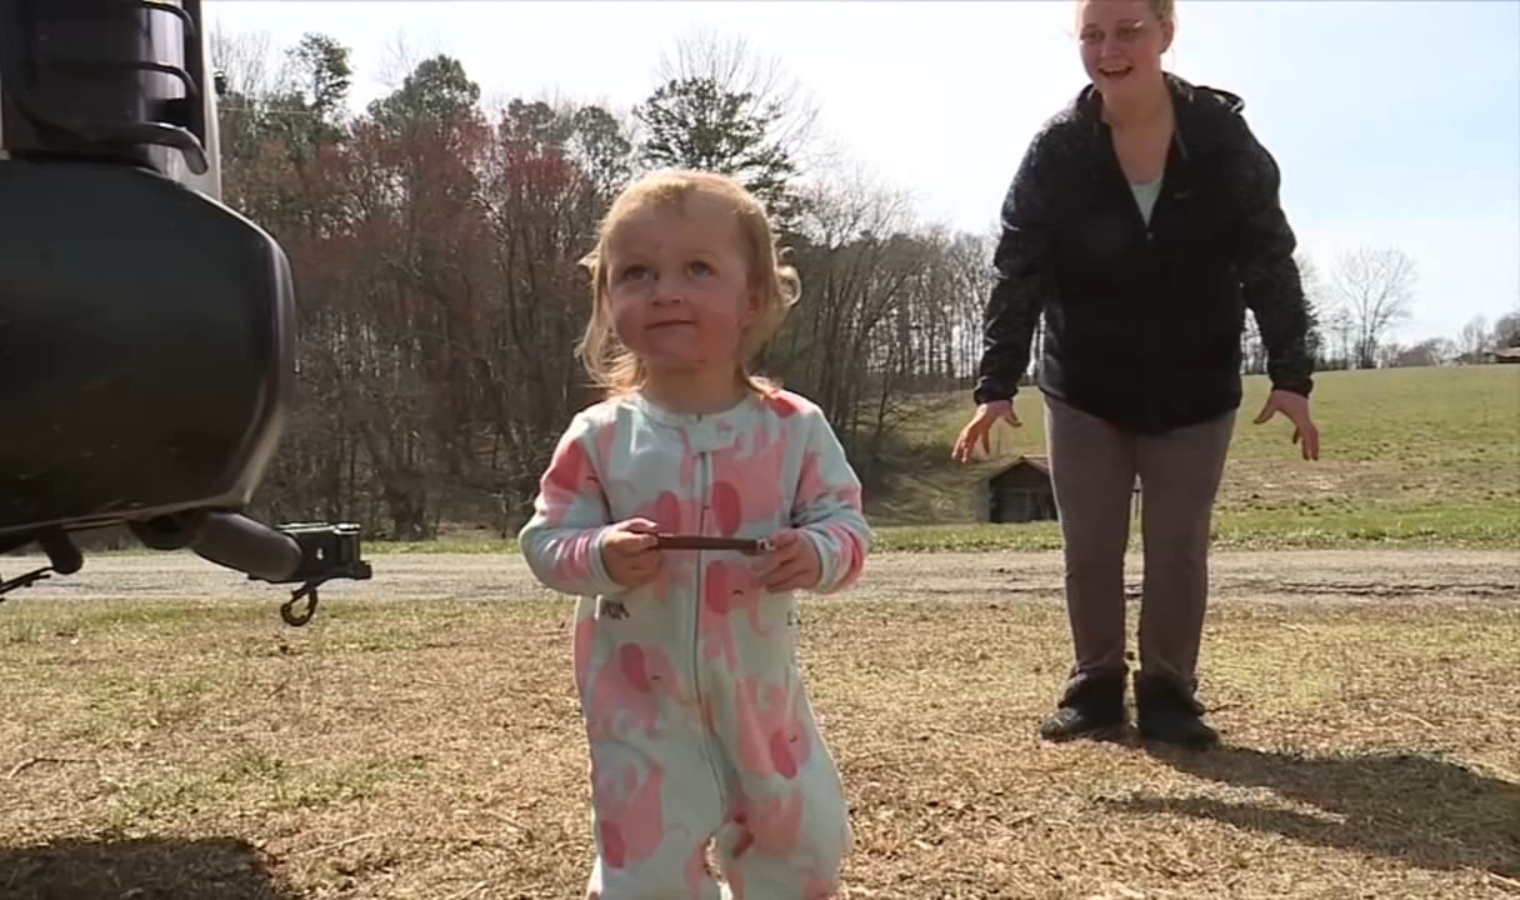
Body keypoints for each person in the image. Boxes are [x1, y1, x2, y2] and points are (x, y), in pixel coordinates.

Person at [952, 0, 1320, 750]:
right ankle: (1093, 689)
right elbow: (1019, 264)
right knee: (1090, 545)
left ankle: (1168, 693)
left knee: (1178, 544)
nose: (1109, 50)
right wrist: (996, 384)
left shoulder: (1223, 142)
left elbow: (1268, 259)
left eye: (1128, 31)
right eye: (1093, 34)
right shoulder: (1058, 149)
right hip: (1085, 382)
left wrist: (1291, 375)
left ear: (1165, 34)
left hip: (1195, 385)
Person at [519, 169, 870, 898]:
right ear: (607, 299)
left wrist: (815, 552)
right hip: (639, 709)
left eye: (697, 269)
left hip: (761, 701)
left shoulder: (793, 430)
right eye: (637, 273)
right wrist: (601, 554)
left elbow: (847, 528)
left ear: (753, 299)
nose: (665, 291)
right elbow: (547, 542)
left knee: (798, 838)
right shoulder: (600, 437)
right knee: (643, 863)